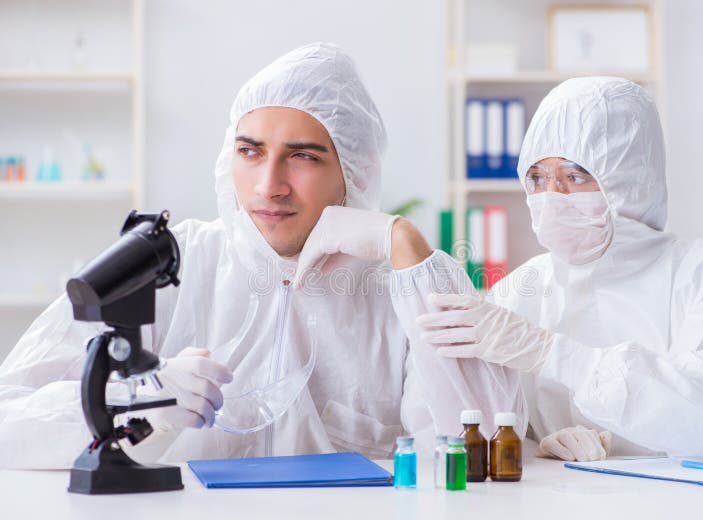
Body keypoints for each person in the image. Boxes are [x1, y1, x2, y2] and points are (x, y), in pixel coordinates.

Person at [0, 43, 525, 468]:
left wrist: (409, 250)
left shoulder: (400, 290)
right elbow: (10, 423)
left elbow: (473, 452)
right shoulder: (167, 266)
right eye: (250, 152)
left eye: (303, 157)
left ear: (355, 171)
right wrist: (138, 397)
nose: (269, 186)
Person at [417, 77, 703, 463]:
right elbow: (459, 424)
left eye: (574, 176)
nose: (551, 197)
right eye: (537, 178)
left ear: (629, 180)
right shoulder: (522, 287)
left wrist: (557, 356)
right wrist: (532, 447)